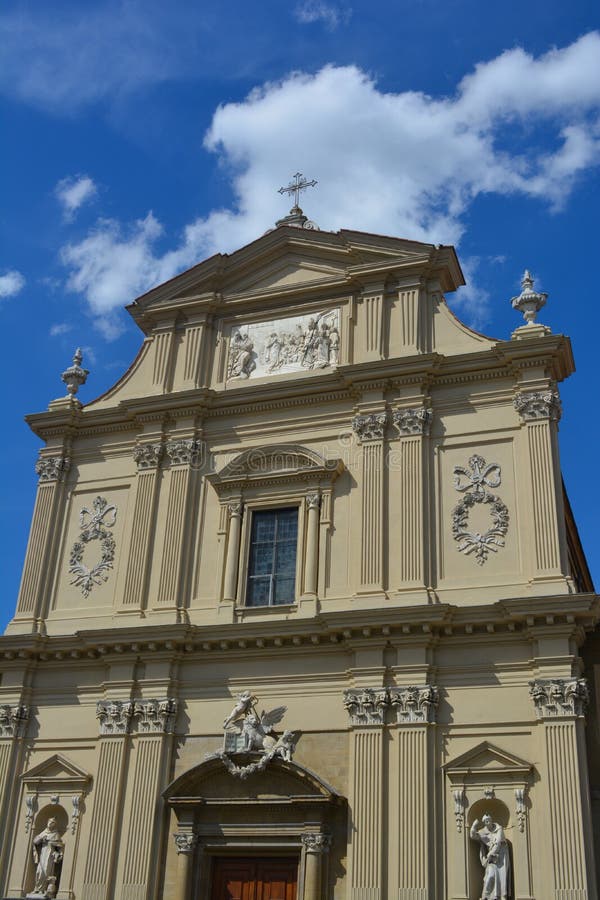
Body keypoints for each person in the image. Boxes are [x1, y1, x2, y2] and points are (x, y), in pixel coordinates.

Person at [469, 813, 510, 899]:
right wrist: (473, 826)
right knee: (490, 875)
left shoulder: (499, 829)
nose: (487, 822)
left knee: (501, 877)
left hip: (501, 857)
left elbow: (498, 843)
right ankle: (485, 897)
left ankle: (501, 896)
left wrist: (490, 854)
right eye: (485, 821)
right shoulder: (483, 832)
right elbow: (473, 836)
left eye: (488, 820)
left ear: (491, 820)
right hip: (491, 860)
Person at [31, 817, 64, 897]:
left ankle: (44, 889)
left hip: (50, 855)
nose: (50, 823)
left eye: (52, 822)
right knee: (39, 871)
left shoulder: (56, 834)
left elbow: (60, 845)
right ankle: (37, 889)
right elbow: (35, 841)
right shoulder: (44, 832)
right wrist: (42, 838)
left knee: (46, 871)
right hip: (43, 854)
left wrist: (53, 844)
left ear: (54, 825)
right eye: (50, 821)